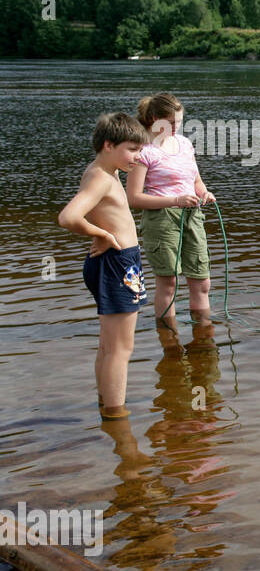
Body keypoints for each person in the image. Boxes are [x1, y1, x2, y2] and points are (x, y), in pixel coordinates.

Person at [57, 113, 151, 419]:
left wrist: (102, 232)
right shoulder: (101, 176)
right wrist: (103, 234)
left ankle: (105, 405)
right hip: (117, 265)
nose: (138, 157)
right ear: (108, 144)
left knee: (109, 346)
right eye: (132, 149)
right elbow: (68, 217)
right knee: (121, 349)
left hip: (115, 263)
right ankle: (116, 417)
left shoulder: (103, 171)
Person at [127, 93, 215, 329]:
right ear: (155, 119)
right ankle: (170, 341)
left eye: (179, 121)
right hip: (161, 219)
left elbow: (196, 182)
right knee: (169, 282)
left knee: (202, 281)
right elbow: (134, 198)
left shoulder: (185, 144)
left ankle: (204, 336)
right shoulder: (143, 150)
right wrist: (175, 200)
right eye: (171, 122)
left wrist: (204, 193)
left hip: (192, 216)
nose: (176, 127)